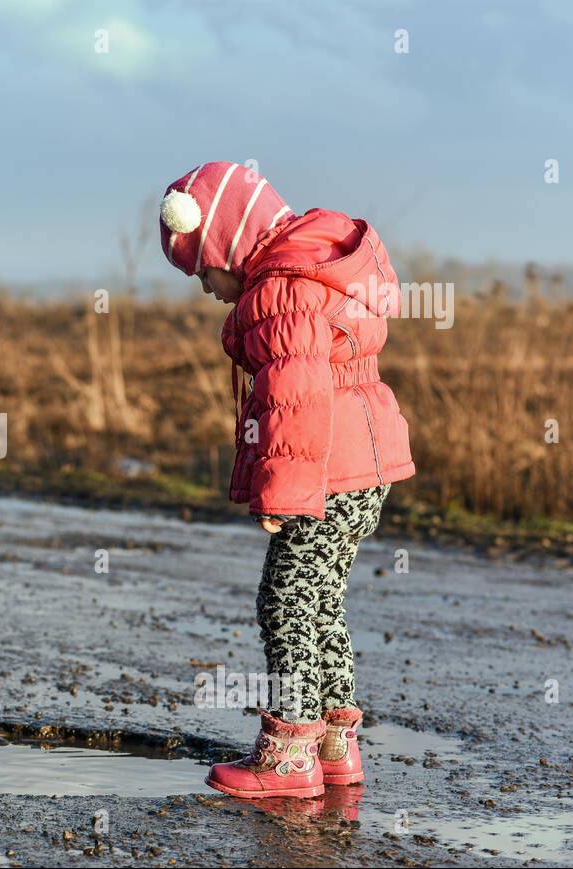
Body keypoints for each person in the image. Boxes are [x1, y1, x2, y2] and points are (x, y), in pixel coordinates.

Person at [158, 161, 415, 798]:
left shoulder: (283, 289)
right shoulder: (309, 272)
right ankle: (336, 745)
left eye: (204, 270)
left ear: (228, 245)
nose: (206, 287)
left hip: (326, 472)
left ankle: (289, 757)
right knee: (321, 602)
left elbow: (294, 398)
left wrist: (283, 492)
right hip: (363, 466)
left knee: (285, 603)